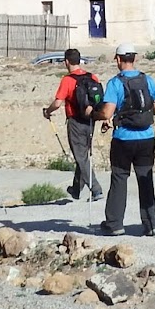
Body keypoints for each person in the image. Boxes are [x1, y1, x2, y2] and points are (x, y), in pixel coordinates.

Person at [95, 42, 155, 236]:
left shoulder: (115, 83)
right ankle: (151, 223)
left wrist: (95, 115)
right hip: (147, 137)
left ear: (118, 59)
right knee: (145, 178)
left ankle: (115, 224)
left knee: (119, 178)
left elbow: (107, 112)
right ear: (135, 58)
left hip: (123, 138)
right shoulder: (148, 80)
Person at [42, 48, 103, 202]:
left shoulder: (67, 80)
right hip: (90, 121)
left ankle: (96, 189)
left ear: (66, 62)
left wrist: (47, 112)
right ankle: (76, 189)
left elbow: (57, 103)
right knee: (82, 155)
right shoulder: (92, 77)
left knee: (81, 157)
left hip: (75, 122)